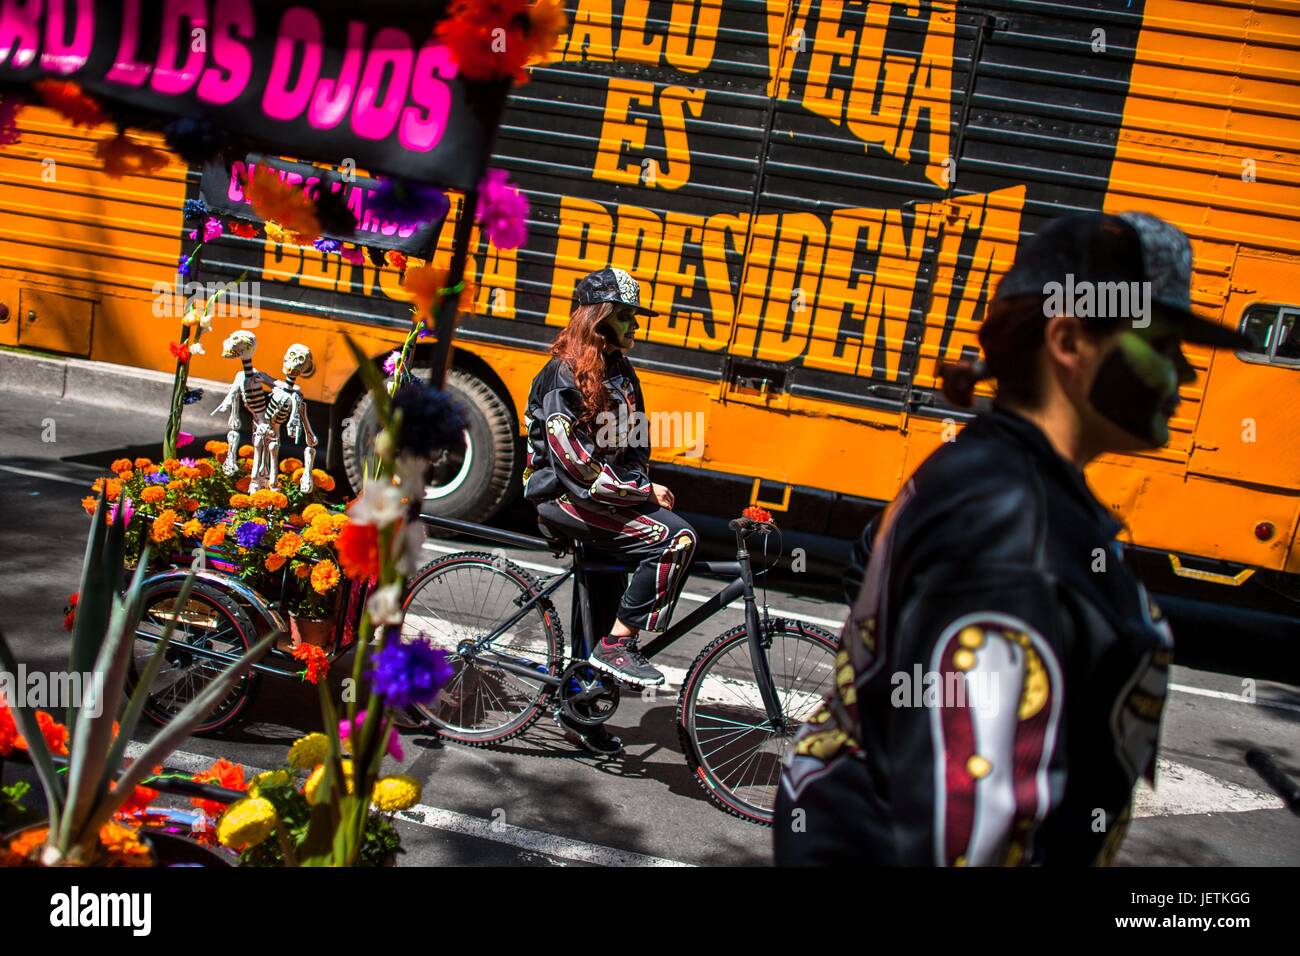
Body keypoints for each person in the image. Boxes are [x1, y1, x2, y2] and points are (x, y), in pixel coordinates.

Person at [775, 212, 1250, 865]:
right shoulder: (1017, 533)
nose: (1186, 375)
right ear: (1069, 339)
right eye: (1162, 345)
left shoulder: (986, 472)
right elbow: (964, 836)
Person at [523, 267, 697, 754]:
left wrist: (640, 482)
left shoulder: (620, 370)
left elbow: (637, 443)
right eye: (627, 316)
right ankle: (619, 647)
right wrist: (640, 495)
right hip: (563, 498)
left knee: (603, 598)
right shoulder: (561, 375)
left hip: (605, 496)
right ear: (600, 320)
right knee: (675, 538)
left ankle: (579, 708)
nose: (637, 326)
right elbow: (576, 468)